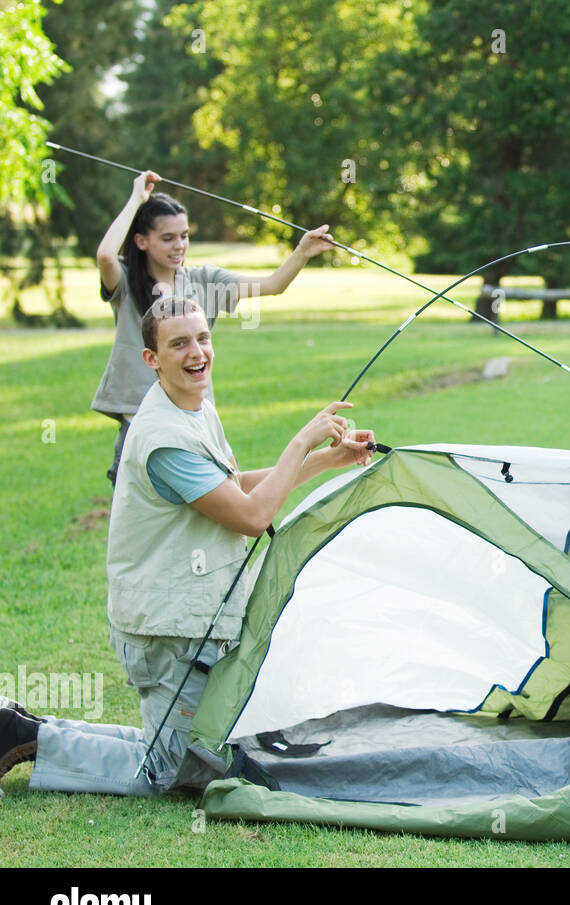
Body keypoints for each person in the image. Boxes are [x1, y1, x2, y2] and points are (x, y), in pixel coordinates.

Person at [0, 297, 375, 792]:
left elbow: (233, 486)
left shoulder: (192, 408)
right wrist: (299, 442)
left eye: (202, 338)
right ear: (152, 359)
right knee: (177, 768)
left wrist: (329, 461)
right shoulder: (164, 437)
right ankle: (26, 739)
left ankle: (22, 730)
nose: (197, 351)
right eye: (179, 343)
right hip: (169, 634)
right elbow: (251, 516)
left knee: (192, 748)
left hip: (187, 622)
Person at [93, 170, 335, 485]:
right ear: (141, 241)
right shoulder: (126, 282)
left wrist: (301, 252)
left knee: (228, 496)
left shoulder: (204, 280)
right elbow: (104, 255)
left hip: (196, 419)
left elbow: (272, 285)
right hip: (142, 423)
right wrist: (137, 199)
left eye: (184, 235)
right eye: (168, 238)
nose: (179, 245)